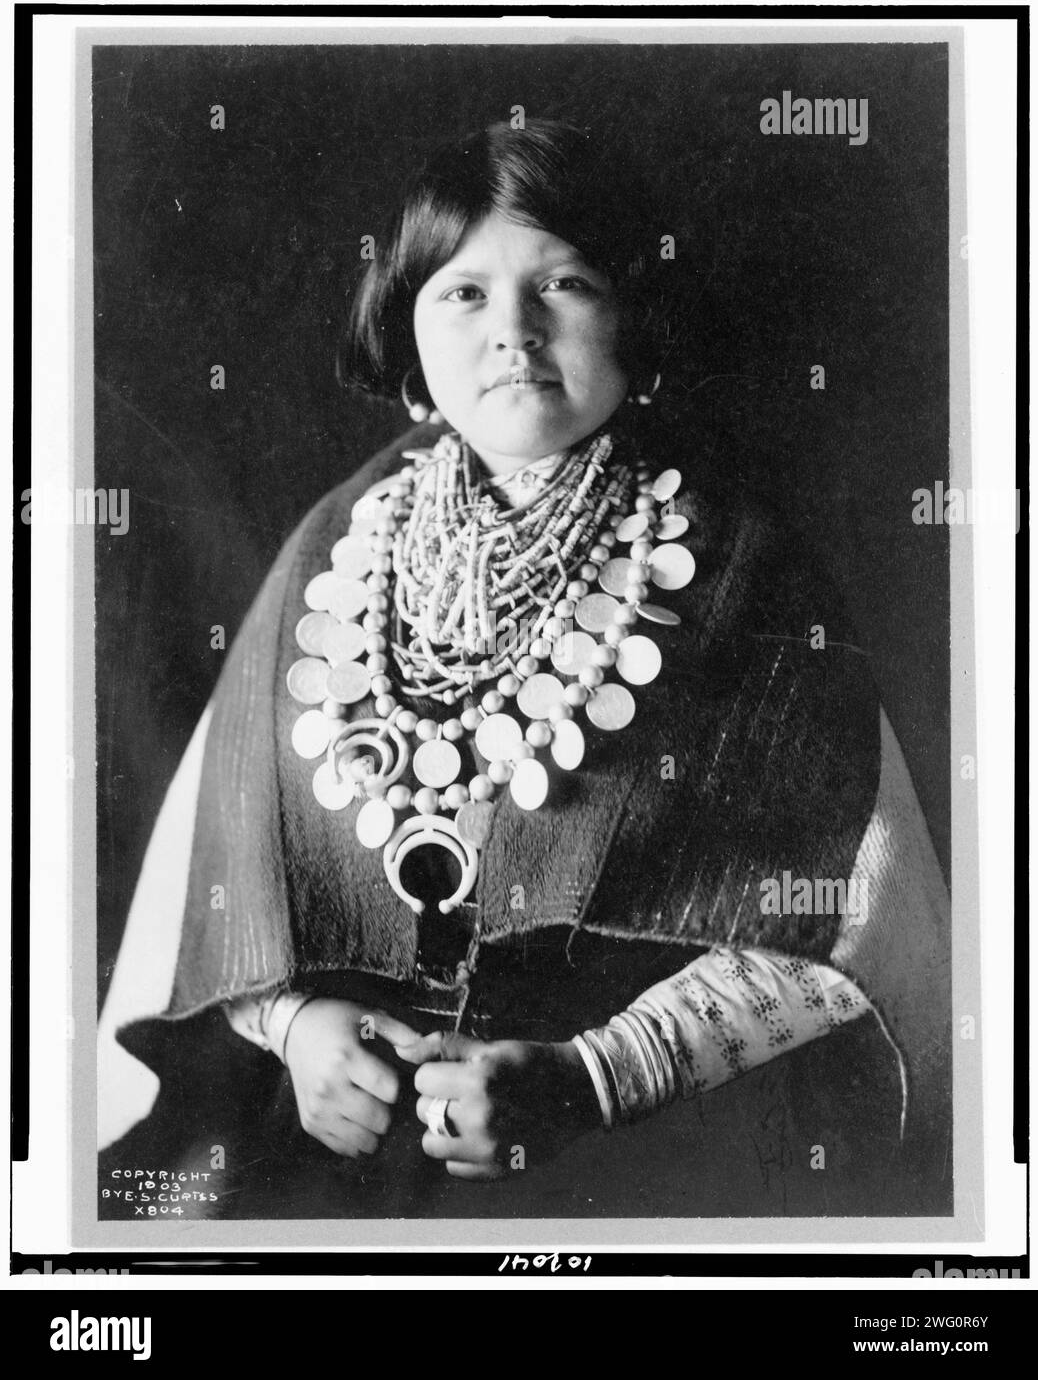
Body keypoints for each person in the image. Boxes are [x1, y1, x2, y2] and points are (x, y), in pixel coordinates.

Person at [98, 119, 951, 1220]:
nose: (514, 329)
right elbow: (212, 895)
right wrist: (297, 1026)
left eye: (565, 284)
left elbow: (853, 918)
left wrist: (599, 1077)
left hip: (652, 1151)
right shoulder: (334, 555)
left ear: (634, 325)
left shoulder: (739, 565)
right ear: (406, 342)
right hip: (350, 1148)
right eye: (463, 293)